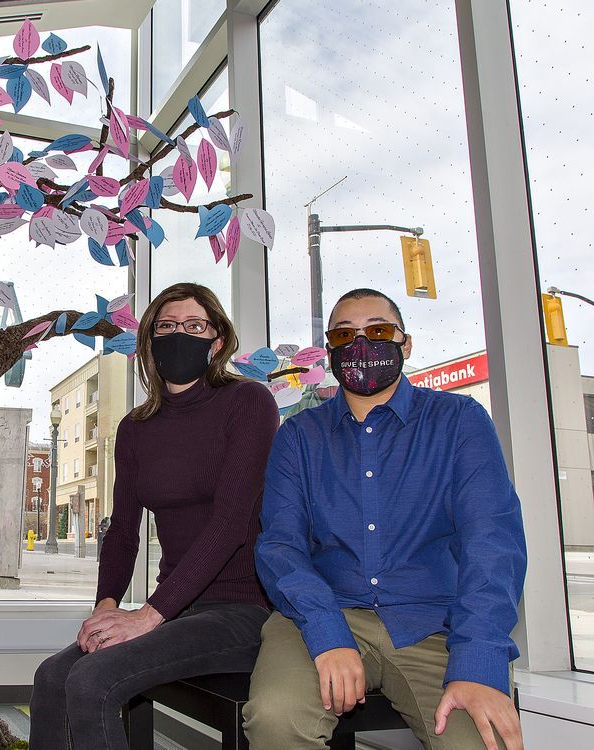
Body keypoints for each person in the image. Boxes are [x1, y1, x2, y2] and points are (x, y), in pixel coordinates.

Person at [243, 288, 526, 750]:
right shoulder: (299, 435)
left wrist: (478, 661)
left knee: (481, 741)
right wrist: (327, 632)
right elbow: (280, 546)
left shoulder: (459, 421)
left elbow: (493, 543)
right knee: (276, 719)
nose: (361, 344)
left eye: (377, 331)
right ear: (330, 352)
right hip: (321, 612)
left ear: (406, 344)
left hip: (434, 623)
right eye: (344, 335)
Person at [29, 282, 279, 750]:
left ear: (217, 341)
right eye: (166, 326)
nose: (178, 334)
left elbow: (229, 525)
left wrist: (148, 615)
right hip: (176, 609)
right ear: (148, 340)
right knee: (51, 677)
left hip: (243, 609)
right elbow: (123, 531)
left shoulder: (248, 402)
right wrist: (107, 605)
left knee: (91, 680)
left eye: (193, 325)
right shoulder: (136, 427)